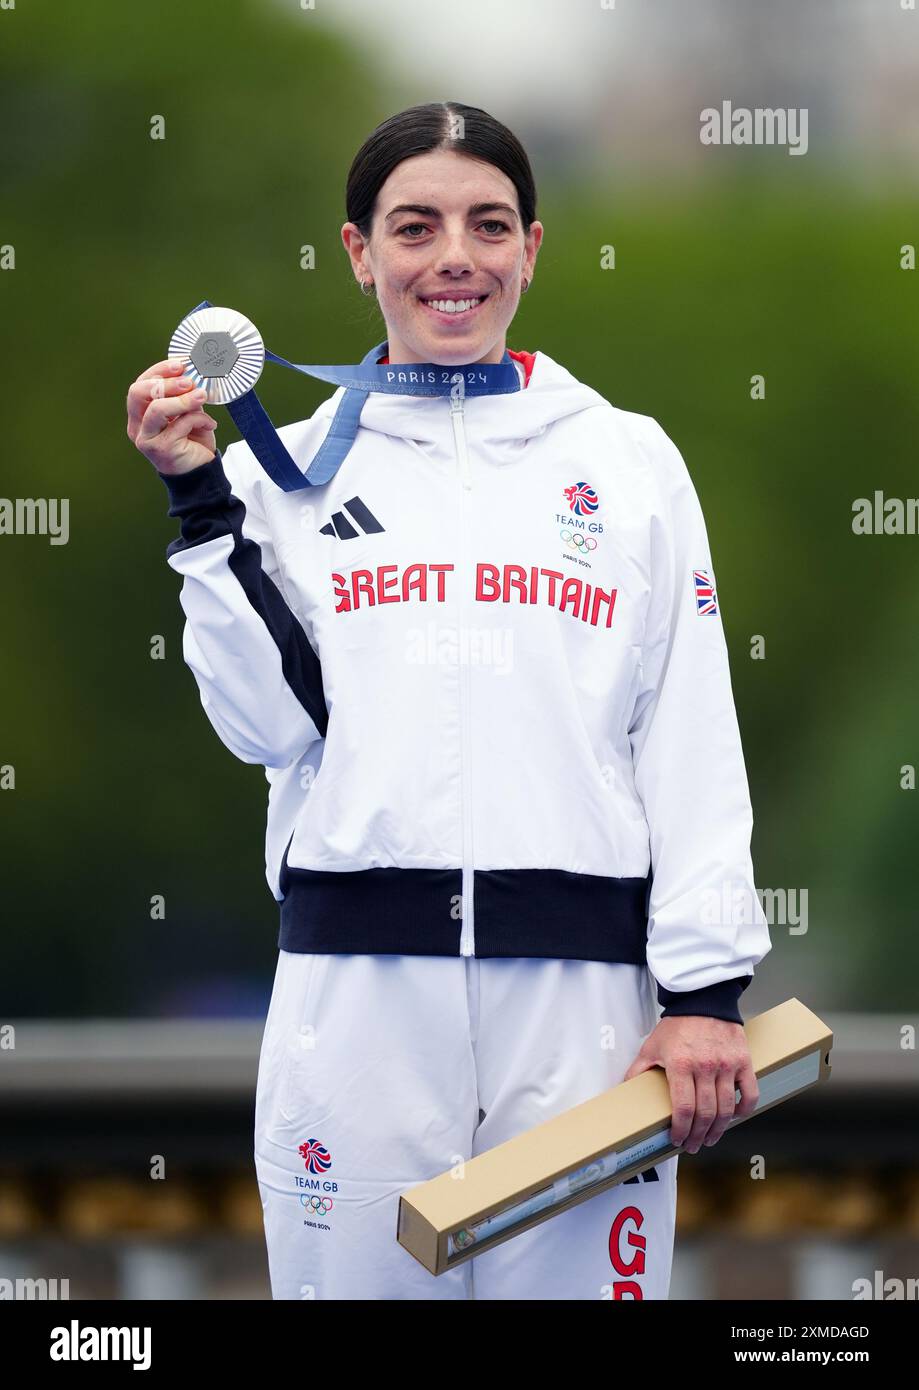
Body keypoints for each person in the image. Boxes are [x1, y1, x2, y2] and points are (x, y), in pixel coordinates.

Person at [126, 101, 771, 1301]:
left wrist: (705, 994)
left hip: (581, 1006)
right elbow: (267, 727)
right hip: (357, 996)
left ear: (534, 244)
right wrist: (201, 504)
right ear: (360, 252)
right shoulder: (290, 466)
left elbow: (686, 733)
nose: (454, 258)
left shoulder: (627, 461)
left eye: (487, 224)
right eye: (414, 227)